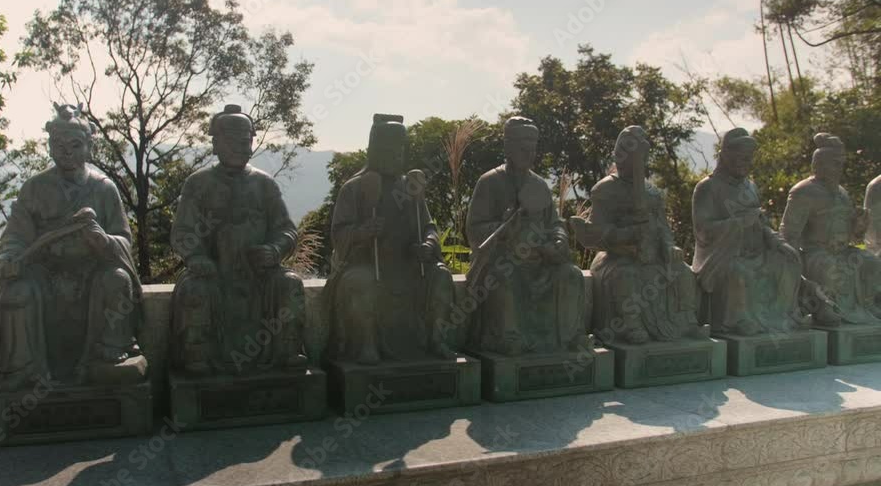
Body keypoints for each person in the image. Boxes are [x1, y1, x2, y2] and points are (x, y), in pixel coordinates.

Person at [0, 103, 145, 392]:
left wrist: (105, 241)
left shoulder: (104, 189)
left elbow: (124, 239)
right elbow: (16, 237)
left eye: (75, 145)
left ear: (89, 147)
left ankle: (108, 354)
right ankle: (23, 367)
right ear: (49, 147)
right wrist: (9, 258)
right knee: (16, 291)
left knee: (117, 279)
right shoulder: (34, 188)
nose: (67, 152)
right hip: (44, 275)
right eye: (59, 145)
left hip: (92, 274)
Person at [170, 104, 307, 375]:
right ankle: (198, 356)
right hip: (214, 274)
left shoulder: (265, 184)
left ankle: (287, 350)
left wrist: (274, 250)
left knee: (290, 283)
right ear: (215, 144)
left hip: (259, 276)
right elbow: (183, 232)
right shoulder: (198, 184)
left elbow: (287, 230)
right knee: (195, 290)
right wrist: (196, 257)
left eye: (245, 142)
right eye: (232, 142)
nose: (240, 148)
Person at [324, 114, 455, 365]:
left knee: (440, 275)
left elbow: (428, 226)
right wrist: (363, 232)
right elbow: (338, 234)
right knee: (361, 282)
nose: (397, 155)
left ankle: (436, 339)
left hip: (408, 265)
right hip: (367, 264)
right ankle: (366, 344)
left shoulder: (411, 188)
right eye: (389, 149)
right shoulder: (354, 188)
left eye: (400, 149)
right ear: (375, 151)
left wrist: (428, 245)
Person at [573, 126, 707, 344]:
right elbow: (598, 231)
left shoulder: (651, 192)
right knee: (625, 275)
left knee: (682, 271)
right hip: (616, 257)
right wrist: (627, 235)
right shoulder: (604, 190)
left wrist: (669, 246)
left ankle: (687, 323)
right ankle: (631, 324)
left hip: (652, 254)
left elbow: (663, 227)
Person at [465, 116, 586, 355]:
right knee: (502, 276)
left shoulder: (539, 185)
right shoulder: (490, 182)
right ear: (508, 146)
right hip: (503, 259)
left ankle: (568, 337)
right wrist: (505, 227)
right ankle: (509, 337)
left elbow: (554, 223)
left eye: (532, 148)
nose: (528, 153)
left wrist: (559, 239)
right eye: (522, 147)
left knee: (570, 275)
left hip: (539, 261)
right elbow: (474, 230)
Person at [691, 128, 807, 335]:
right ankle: (738, 319)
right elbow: (703, 231)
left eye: (749, 157)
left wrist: (777, 241)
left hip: (756, 253)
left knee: (787, 262)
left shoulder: (750, 187)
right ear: (725, 155)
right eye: (740, 156)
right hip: (723, 257)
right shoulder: (707, 187)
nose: (746, 161)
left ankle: (784, 316)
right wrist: (738, 223)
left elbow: (761, 224)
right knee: (738, 272)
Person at [780, 133, 881, 326]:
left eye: (840, 164)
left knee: (871, 262)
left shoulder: (842, 193)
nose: (839, 169)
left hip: (843, 251)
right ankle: (825, 307)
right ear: (818, 164)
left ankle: (868, 304)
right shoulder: (803, 192)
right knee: (828, 267)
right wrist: (794, 262)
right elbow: (789, 232)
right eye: (834, 164)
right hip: (815, 252)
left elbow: (853, 235)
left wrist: (858, 226)